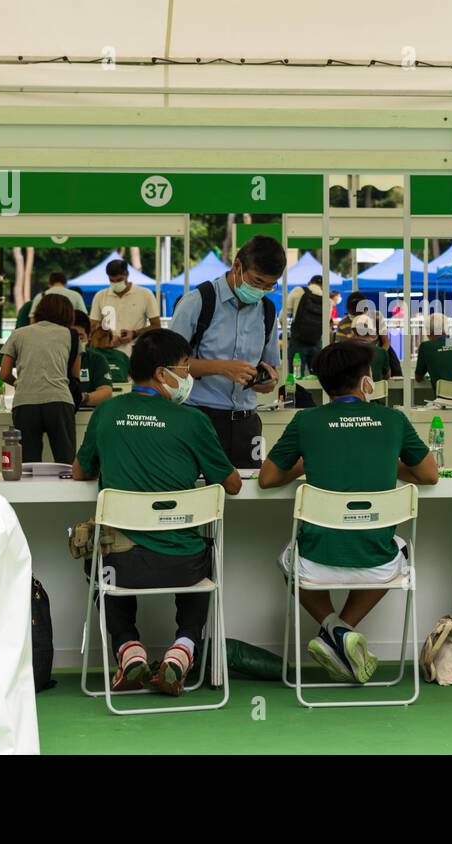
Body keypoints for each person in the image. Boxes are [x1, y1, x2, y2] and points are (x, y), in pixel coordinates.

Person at [73, 329, 242, 695]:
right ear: (163, 373)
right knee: (205, 551)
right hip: (184, 565)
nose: (188, 377)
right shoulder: (193, 421)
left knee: (100, 555)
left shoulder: (106, 413)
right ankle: (182, 651)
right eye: (184, 368)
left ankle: (129, 651)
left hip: (121, 566)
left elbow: (79, 472)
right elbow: (231, 484)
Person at [259, 341, 438, 683]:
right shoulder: (392, 419)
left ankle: (334, 630)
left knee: (287, 559)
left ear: (324, 383)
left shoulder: (306, 420)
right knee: (400, 552)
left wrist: (305, 464)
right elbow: (429, 475)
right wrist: (388, 462)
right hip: (378, 563)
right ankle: (342, 632)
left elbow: (268, 478)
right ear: (365, 379)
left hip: (314, 561)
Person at [169, 234, 284, 467]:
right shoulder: (198, 302)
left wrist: (268, 381)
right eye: (256, 281)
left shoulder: (268, 310)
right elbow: (168, 365)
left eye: (269, 286)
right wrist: (221, 368)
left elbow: (270, 366)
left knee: (248, 495)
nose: (261, 290)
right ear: (237, 266)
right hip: (199, 418)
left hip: (247, 422)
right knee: (199, 493)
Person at [0, 293, 81, 463]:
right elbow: (75, 375)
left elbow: (4, 373)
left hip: (25, 403)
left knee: (28, 465)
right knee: (66, 463)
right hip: (59, 402)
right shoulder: (71, 335)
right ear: (67, 314)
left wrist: (20, 384)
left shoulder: (18, 334)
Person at [89, 258, 160, 359]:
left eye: (119, 280)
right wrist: (108, 338)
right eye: (112, 280)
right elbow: (93, 326)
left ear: (127, 275)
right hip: (106, 355)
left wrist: (134, 333)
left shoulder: (145, 294)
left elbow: (156, 326)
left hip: (135, 354)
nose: (116, 283)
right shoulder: (100, 296)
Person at [414, 312, 452, 396]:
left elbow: (418, 378)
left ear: (428, 331)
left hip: (444, 399)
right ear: (445, 329)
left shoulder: (426, 347)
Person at [72, 310, 113, 408]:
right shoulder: (55, 358)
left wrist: (81, 398)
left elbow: (106, 393)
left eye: (80, 337)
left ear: (88, 337)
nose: (75, 341)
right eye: (71, 337)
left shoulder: (96, 359)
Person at [287, 274, 326, 376]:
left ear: (309, 282)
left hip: (298, 340)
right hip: (317, 341)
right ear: (323, 286)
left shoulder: (298, 291)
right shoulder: (327, 298)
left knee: (296, 377)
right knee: (318, 378)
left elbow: (283, 316)